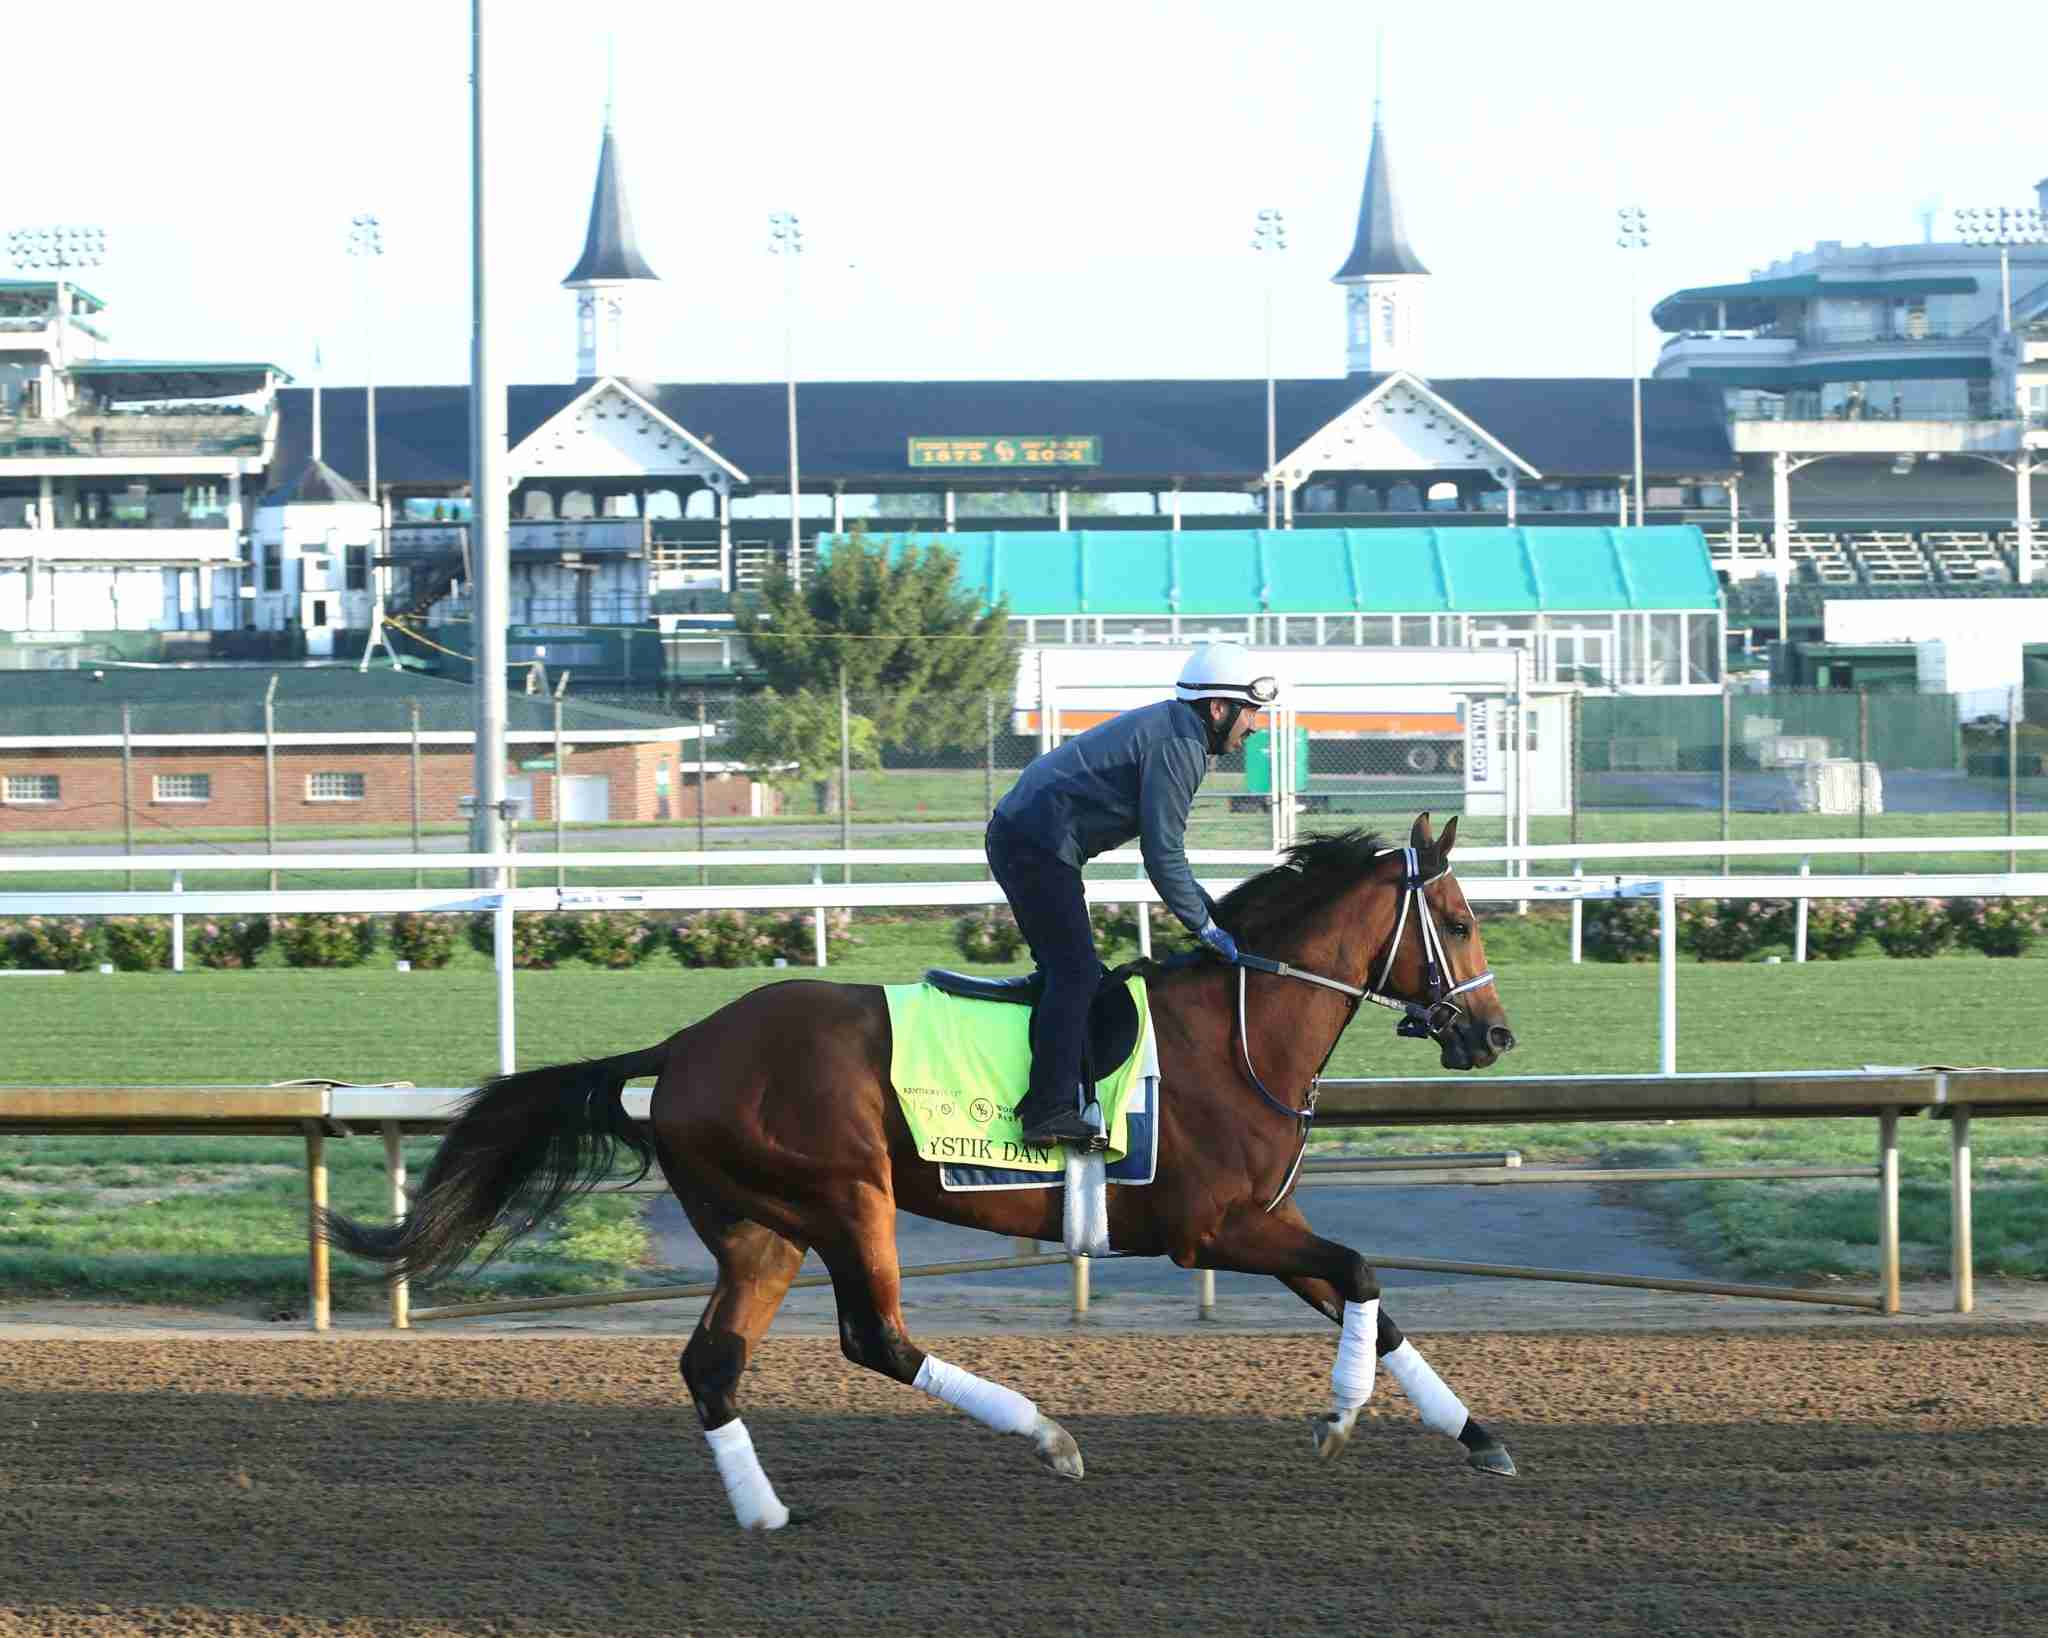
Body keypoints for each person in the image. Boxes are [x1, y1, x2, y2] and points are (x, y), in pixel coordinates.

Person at [986, 642, 1278, 1147]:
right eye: (1249, 712)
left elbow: (1167, 854)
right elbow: (1163, 854)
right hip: (1033, 843)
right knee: (1074, 973)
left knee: (1074, 972)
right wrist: (1205, 926)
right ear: (1217, 708)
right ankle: (1046, 1111)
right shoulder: (1179, 746)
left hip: (1035, 839)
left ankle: (1063, 1085)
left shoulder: (1179, 731)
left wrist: (1210, 913)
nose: (1255, 725)